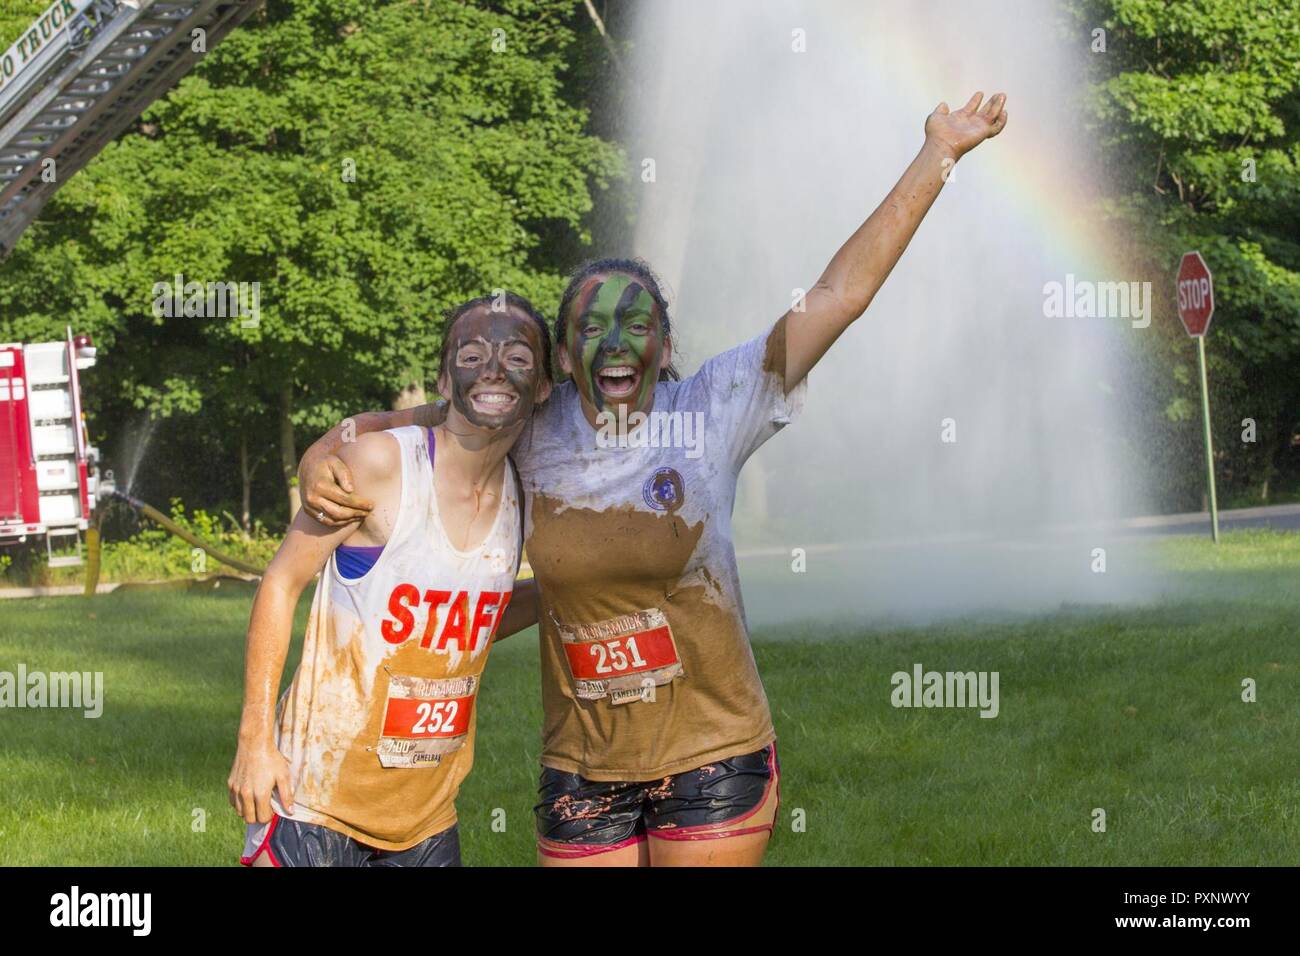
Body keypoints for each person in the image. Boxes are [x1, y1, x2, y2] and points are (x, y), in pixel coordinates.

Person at [297, 92, 1009, 866]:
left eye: (636, 324)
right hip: (582, 770)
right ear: (563, 358)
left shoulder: (712, 407)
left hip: (713, 755)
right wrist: (319, 454)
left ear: (663, 346)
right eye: (590, 327)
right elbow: (414, 425)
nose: (615, 340)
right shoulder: (531, 429)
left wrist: (940, 153)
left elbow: (840, 296)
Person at [227, 293, 552, 866]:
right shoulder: (380, 465)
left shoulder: (522, 495)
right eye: (472, 355)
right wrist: (255, 740)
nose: (495, 369)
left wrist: (572, 596)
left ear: (545, 386)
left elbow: (467, 621)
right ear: (445, 381)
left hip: (426, 818)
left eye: (519, 358)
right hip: (311, 798)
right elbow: (279, 583)